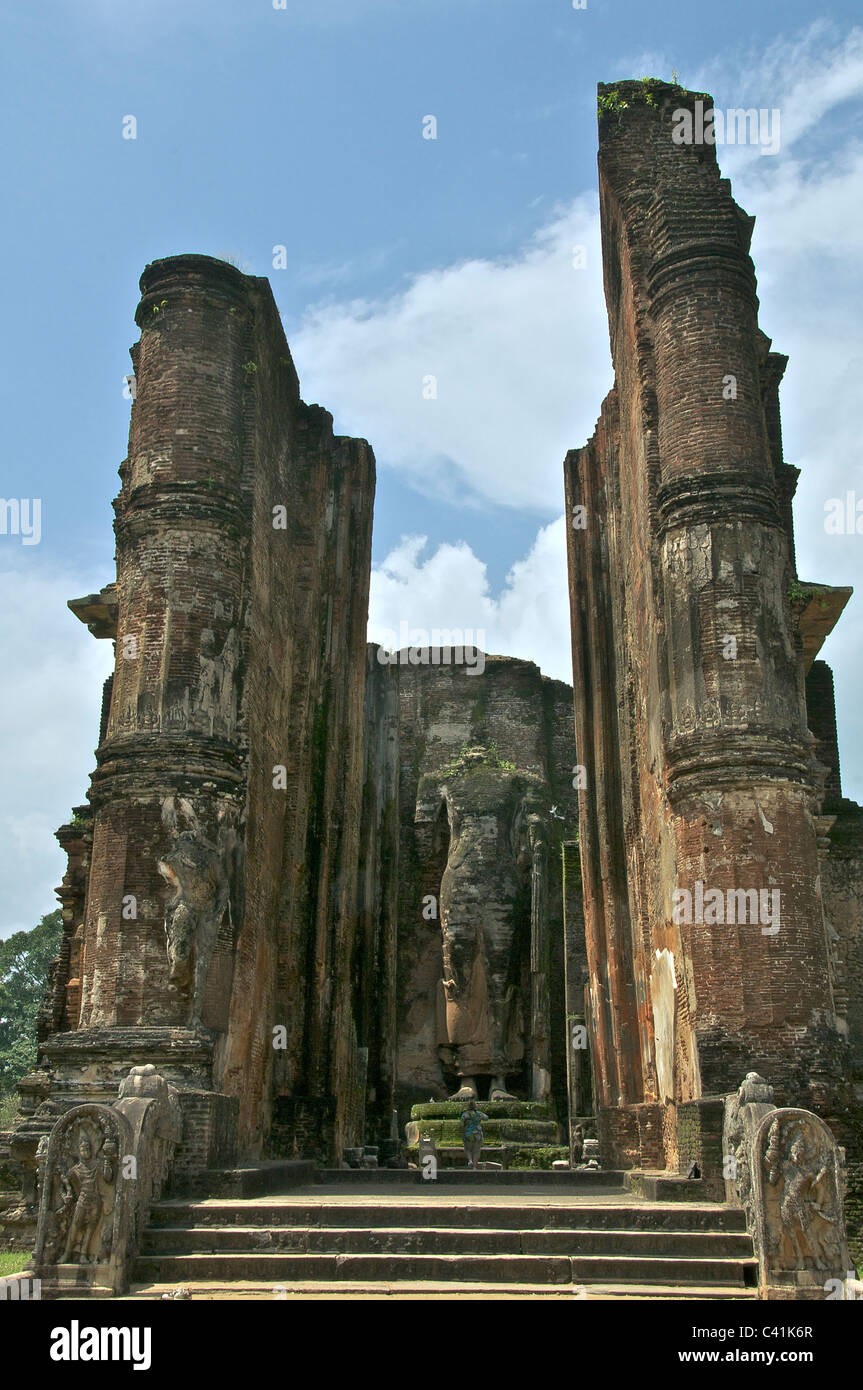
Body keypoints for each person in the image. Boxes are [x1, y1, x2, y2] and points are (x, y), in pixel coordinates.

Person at [460, 1098, 489, 1169]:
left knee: (468, 1149)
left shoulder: (464, 1114)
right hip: (478, 1135)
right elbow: (486, 1118)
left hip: (468, 1135)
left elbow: (461, 1125)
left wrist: (463, 1133)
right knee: (476, 1151)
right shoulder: (479, 1114)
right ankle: (475, 1167)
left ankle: (470, 1160)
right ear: (475, 1106)